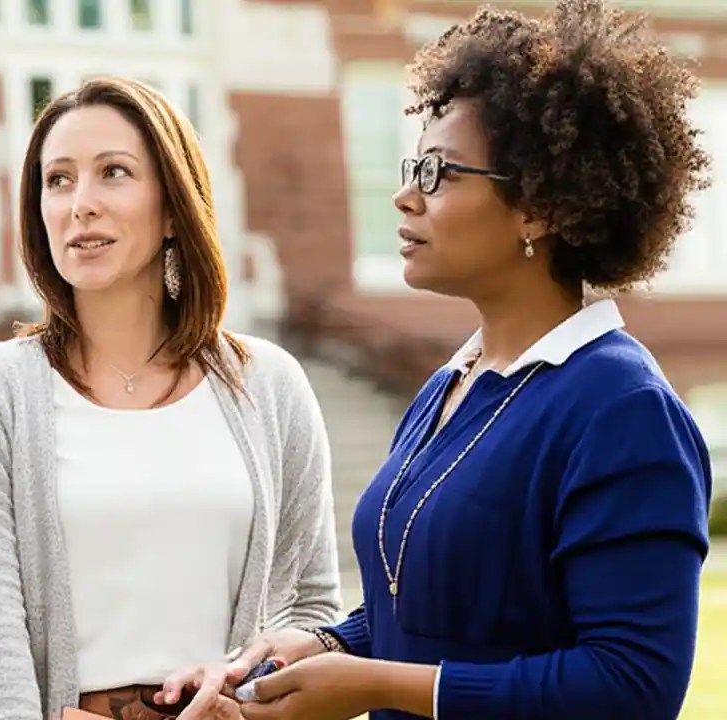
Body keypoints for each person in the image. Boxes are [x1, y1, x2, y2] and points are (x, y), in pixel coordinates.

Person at [170, 2, 714, 719]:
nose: (404, 197)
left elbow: (632, 685)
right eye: (411, 168)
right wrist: (328, 644)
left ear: (539, 207)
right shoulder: (448, 386)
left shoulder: (622, 409)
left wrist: (378, 685)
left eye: (437, 173)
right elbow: (433, 612)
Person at [0, 76, 342, 719]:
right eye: (58, 180)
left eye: (113, 173)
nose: (80, 204)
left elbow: (312, 611)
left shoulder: (269, 384)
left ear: (174, 207)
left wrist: (244, 695)